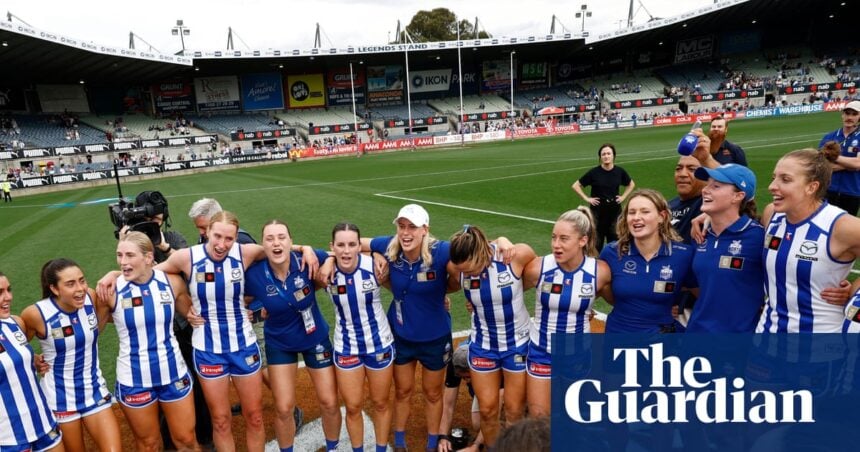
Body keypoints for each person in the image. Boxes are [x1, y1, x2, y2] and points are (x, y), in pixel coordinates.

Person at [187, 198, 303, 430]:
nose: (202, 233)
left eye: (202, 227)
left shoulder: (239, 242)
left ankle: (289, 407)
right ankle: (250, 398)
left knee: (260, 366)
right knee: (248, 368)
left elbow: (268, 264)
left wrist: (245, 303)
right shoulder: (209, 244)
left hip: (253, 312)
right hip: (232, 320)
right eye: (201, 229)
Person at [243, 220, 340, 452]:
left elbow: (335, 253)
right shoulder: (254, 274)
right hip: (280, 342)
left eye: (281, 237)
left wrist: (329, 262)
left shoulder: (306, 259)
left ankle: (334, 447)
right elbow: (240, 299)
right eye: (270, 238)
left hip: (314, 336)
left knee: (329, 401)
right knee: (284, 408)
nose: (276, 243)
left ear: (291, 241)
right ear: (262, 245)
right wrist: (249, 311)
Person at [109, 232, 199, 451]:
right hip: (134, 379)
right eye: (119, 255)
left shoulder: (172, 283)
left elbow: (194, 315)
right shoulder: (110, 290)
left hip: (173, 374)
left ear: (148, 258)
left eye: (130, 255)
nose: (123, 262)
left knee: (186, 440)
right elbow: (89, 330)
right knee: (149, 444)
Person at [20, 258, 122, 452]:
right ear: (54, 289)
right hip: (60, 400)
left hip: (94, 392)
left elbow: (126, 280)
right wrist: (33, 359)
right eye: (70, 284)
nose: (80, 288)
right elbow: (14, 346)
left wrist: (112, 273)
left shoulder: (91, 298)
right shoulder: (36, 314)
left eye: (82, 280)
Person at [448, 225, 536, 447]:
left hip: (517, 345)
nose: (465, 275)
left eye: (470, 270)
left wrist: (513, 291)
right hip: (483, 346)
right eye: (463, 272)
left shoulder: (515, 256)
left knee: (515, 411)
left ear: (481, 254)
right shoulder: (456, 266)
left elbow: (536, 275)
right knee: (487, 411)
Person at [758, 149, 860, 332]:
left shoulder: (841, 226)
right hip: (766, 336)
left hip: (819, 347)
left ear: (811, 187)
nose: (772, 186)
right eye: (774, 177)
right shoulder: (772, 214)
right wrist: (709, 217)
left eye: (785, 179)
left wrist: (853, 290)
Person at [521, 207, 610, 417]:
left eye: (564, 239)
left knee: (573, 415)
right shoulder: (538, 267)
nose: (556, 245)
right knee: (539, 417)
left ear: (582, 241)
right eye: (553, 238)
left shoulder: (600, 272)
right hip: (541, 351)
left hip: (577, 353)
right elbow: (512, 293)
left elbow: (620, 299)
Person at [318, 222, 393, 452]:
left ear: (359, 246)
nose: (347, 250)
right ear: (333, 247)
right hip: (347, 347)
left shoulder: (375, 266)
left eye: (352, 244)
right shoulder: (325, 271)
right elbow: (295, 251)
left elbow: (403, 288)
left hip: (379, 343)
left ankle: (381, 449)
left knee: (380, 404)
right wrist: (329, 259)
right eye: (340, 245)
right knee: (352, 407)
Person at [599, 189, 694, 333]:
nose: (636, 217)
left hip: (662, 339)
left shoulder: (684, 255)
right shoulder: (612, 252)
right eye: (631, 212)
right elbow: (599, 290)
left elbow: (706, 296)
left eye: (645, 211)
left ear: (662, 216)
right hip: (619, 336)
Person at [684, 165, 765, 332]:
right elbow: (696, 284)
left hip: (740, 341)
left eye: (716, 186)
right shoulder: (700, 235)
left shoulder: (758, 237)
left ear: (738, 196)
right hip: (697, 335)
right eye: (707, 184)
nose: (705, 190)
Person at [0, 271, 64, 452]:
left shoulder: (15, 323)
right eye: (0, 292)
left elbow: (14, 355)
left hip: (43, 423)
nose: (8, 297)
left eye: (8, 290)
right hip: (8, 438)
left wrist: (30, 360)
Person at [572, 143, 635, 251]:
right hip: (597, 214)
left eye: (608, 153)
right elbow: (576, 185)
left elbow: (631, 184)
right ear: (600, 157)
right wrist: (587, 198)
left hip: (615, 214)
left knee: (615, 246)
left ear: (613, 156)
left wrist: (623, 197)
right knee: (596, 246)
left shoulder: (619, 172)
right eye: (603, 154)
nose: (606, 156)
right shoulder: (594, 173)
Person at [438, 341, 488, 452]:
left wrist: (476, 445)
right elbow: (448, 404)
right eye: (463, 377)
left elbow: (495, 408)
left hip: (508, 377)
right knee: (478, 424)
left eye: (468, 377)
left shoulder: (488, 363)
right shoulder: (454, 363)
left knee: (509, 411)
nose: (466, 381)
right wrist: (442, 436)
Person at [820, 100, 860, 215]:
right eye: (847, 113)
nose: (850, 117)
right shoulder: (829, 136)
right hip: (828, 190)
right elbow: (821, 165)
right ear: (842, 115)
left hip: (852, 192)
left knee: (844, 229)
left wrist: (833, 156)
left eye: (854, 114)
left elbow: (858, 164)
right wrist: (850, 165)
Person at [668, 155, 707, 244]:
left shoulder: (709, 205)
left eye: (692, 169)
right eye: (678, 169)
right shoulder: (667, 205)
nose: (682, 174)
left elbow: (734, 191)